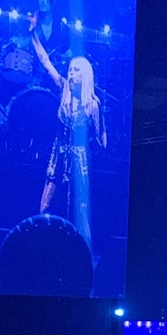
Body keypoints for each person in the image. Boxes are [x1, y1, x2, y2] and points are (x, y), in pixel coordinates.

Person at [30, 24, 106, 248]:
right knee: (45, 205)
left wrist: (102, 131)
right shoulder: (63, 89)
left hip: (79, 158)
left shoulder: (92, 104)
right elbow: (45, 62)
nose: (71, 74)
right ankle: (42, 243)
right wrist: (32, 33)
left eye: (76, 70)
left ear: (85, 76)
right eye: (70, 69)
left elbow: (102, 138)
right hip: (59, 153)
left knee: (80, 209)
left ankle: (82, 251)